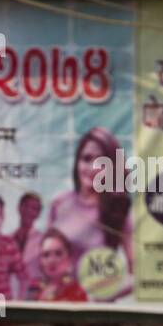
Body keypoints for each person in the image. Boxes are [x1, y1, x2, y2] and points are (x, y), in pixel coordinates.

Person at [47, 127, 133, 297]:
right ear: (77, 162)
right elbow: (46, 260)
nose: (93, 168)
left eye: (101, 163)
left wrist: (104, 294)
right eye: (86, 159)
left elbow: (138, 274)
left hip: (96, 314)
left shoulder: (119, 211)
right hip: (58, 309)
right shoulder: (59, 204)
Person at [26, 228, 88, 303]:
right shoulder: (34, 287)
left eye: (58, 253)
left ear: (69, 258)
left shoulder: (76, 290)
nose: (51, 260)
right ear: (40, 260)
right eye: (46, 255)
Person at [12, 192, 44, 290]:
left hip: (32, 295)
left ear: (38, 214)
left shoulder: (43, 240)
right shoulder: (7, 239)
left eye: (34, 209)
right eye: (26, 206)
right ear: (19, 208)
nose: (29, 211)